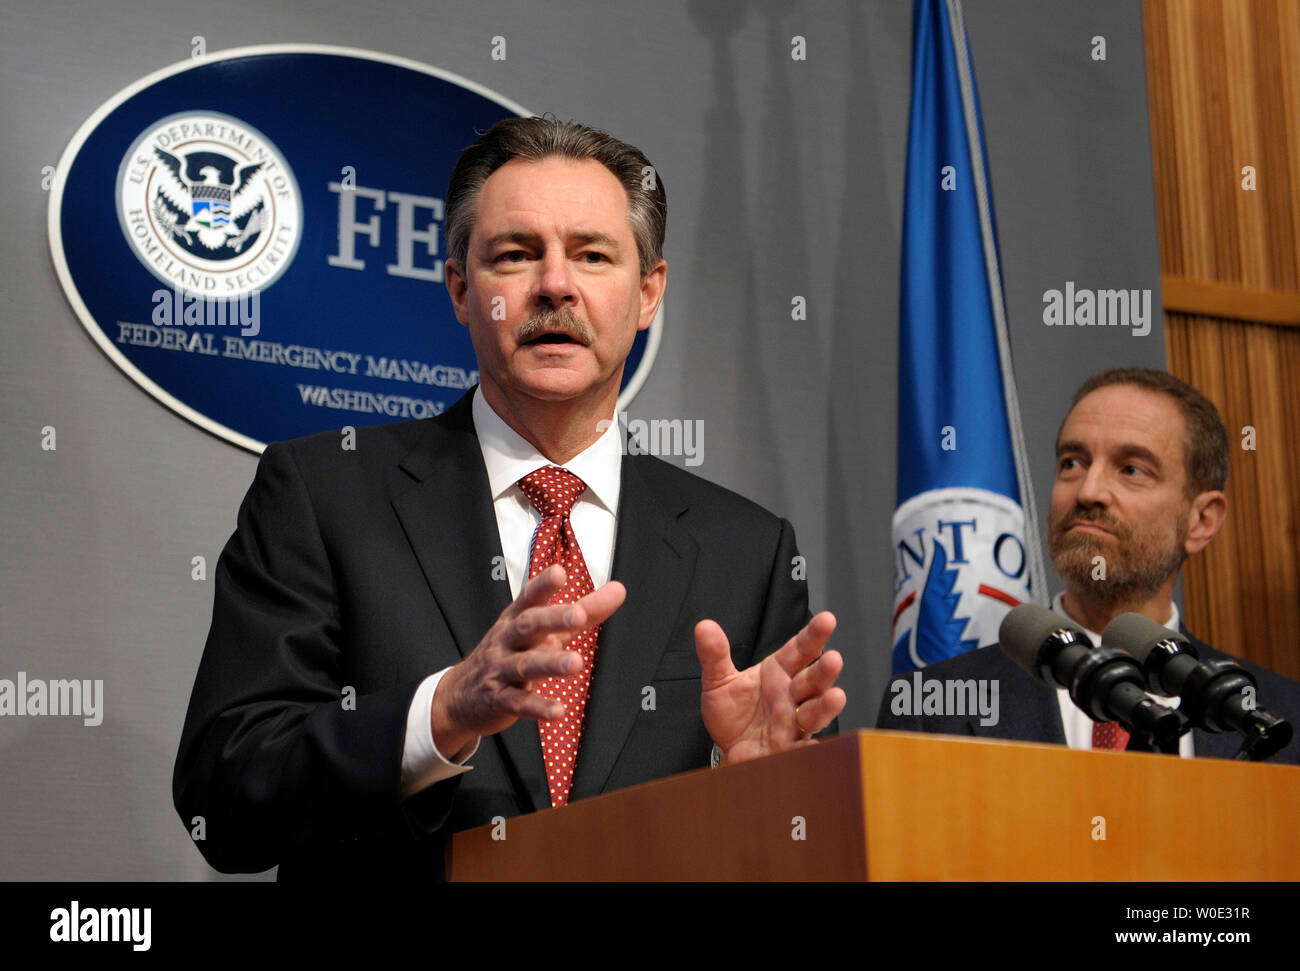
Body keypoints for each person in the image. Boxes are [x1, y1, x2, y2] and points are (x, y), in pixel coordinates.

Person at [173, 116, 846, 879]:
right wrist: (442, 712)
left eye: (592, 255)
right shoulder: (325, 495)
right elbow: (222, 800)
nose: (555, 284)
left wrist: (753, 789)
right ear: (461, 289)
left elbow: (804, 854)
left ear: (648, 292)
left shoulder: (746, 550)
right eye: (516, 254)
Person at [876, 368, 1300, 764]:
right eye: (1072, 462)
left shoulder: (1280, 717)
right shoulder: (932, 705)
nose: (1088, 491)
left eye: (1131, 469)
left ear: (1201, 521)